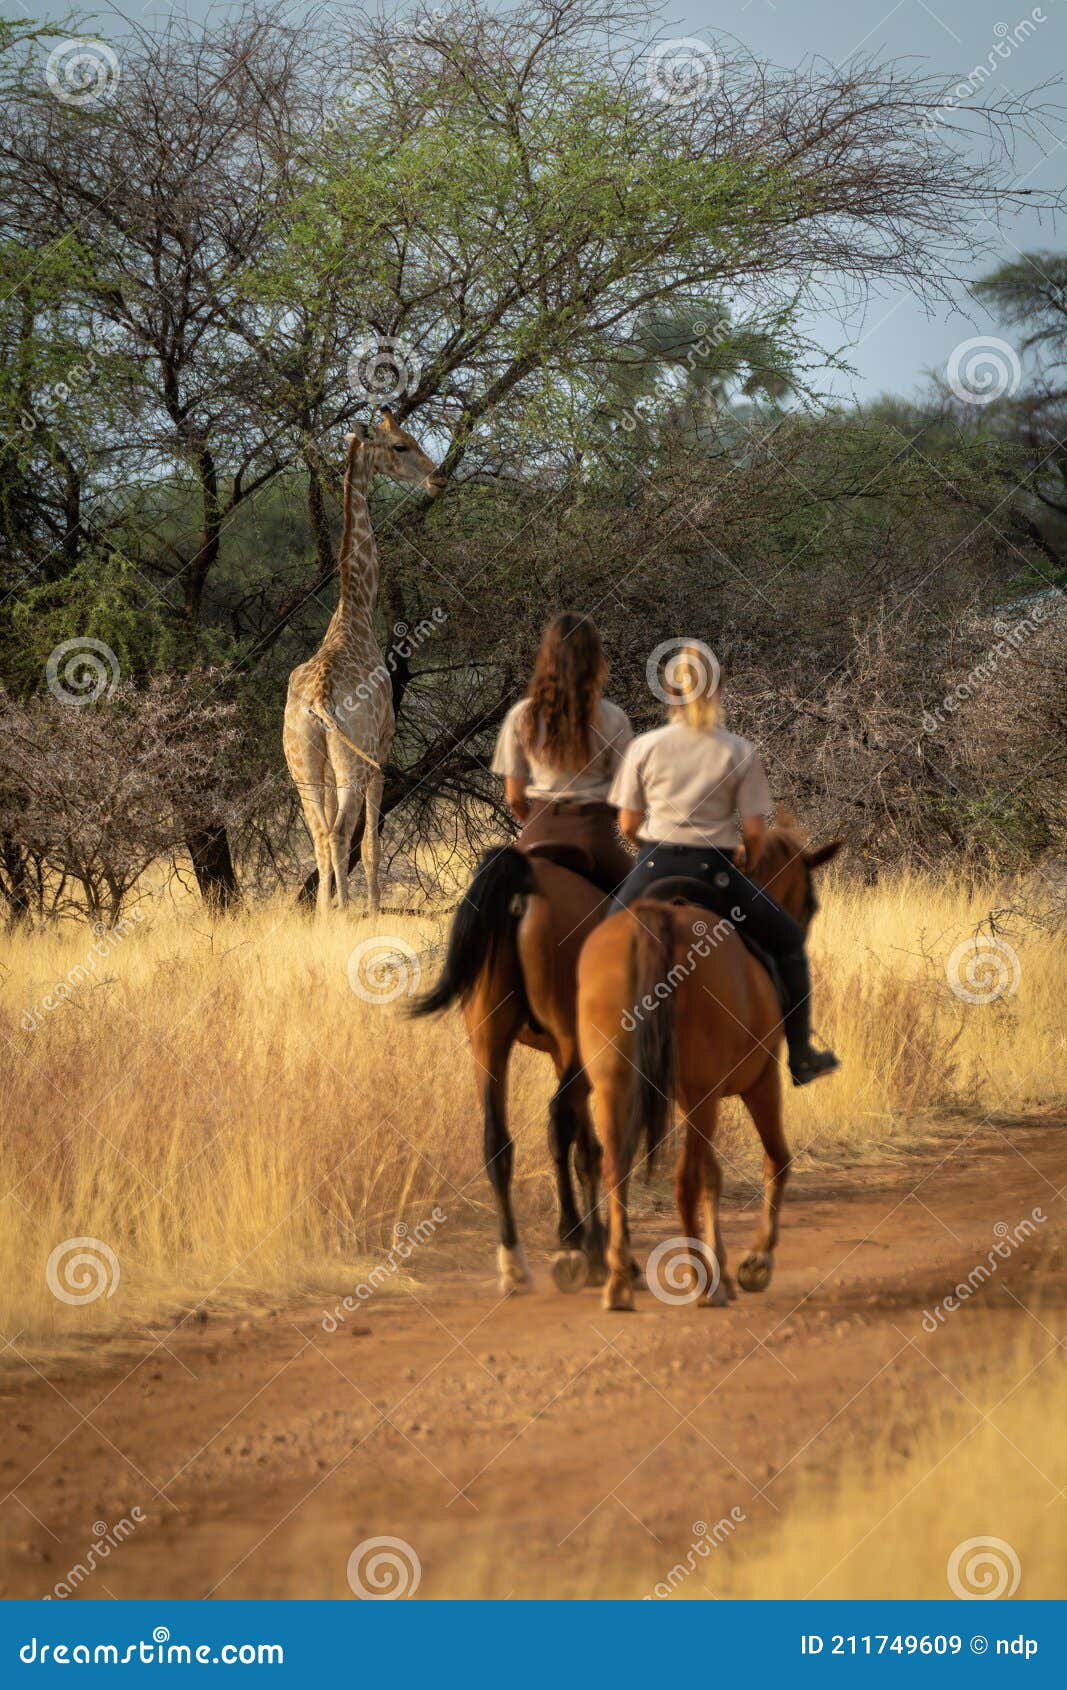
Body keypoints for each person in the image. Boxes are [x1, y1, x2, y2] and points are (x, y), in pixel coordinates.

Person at [609, 647, 839, 1086]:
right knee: (789, 941)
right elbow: (755, 832)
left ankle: (589, 1055)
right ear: (716, 692)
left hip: (654, 864)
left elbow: (627, 824)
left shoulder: (644, 746)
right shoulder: (737, 750)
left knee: (601, 942)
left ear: (669, 693)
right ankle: (802, 1055)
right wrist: (745, 857)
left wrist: (652, 846)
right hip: (713, 871)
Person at [491, 613, 635, 892]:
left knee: (494, 906)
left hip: (538, 830)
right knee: (642, 910)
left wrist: (537, 821)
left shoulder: (521, 716)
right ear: (594, 659)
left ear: (546, 657)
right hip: (594, 836)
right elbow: (625, 796)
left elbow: (514, 797)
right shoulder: (613, 718)